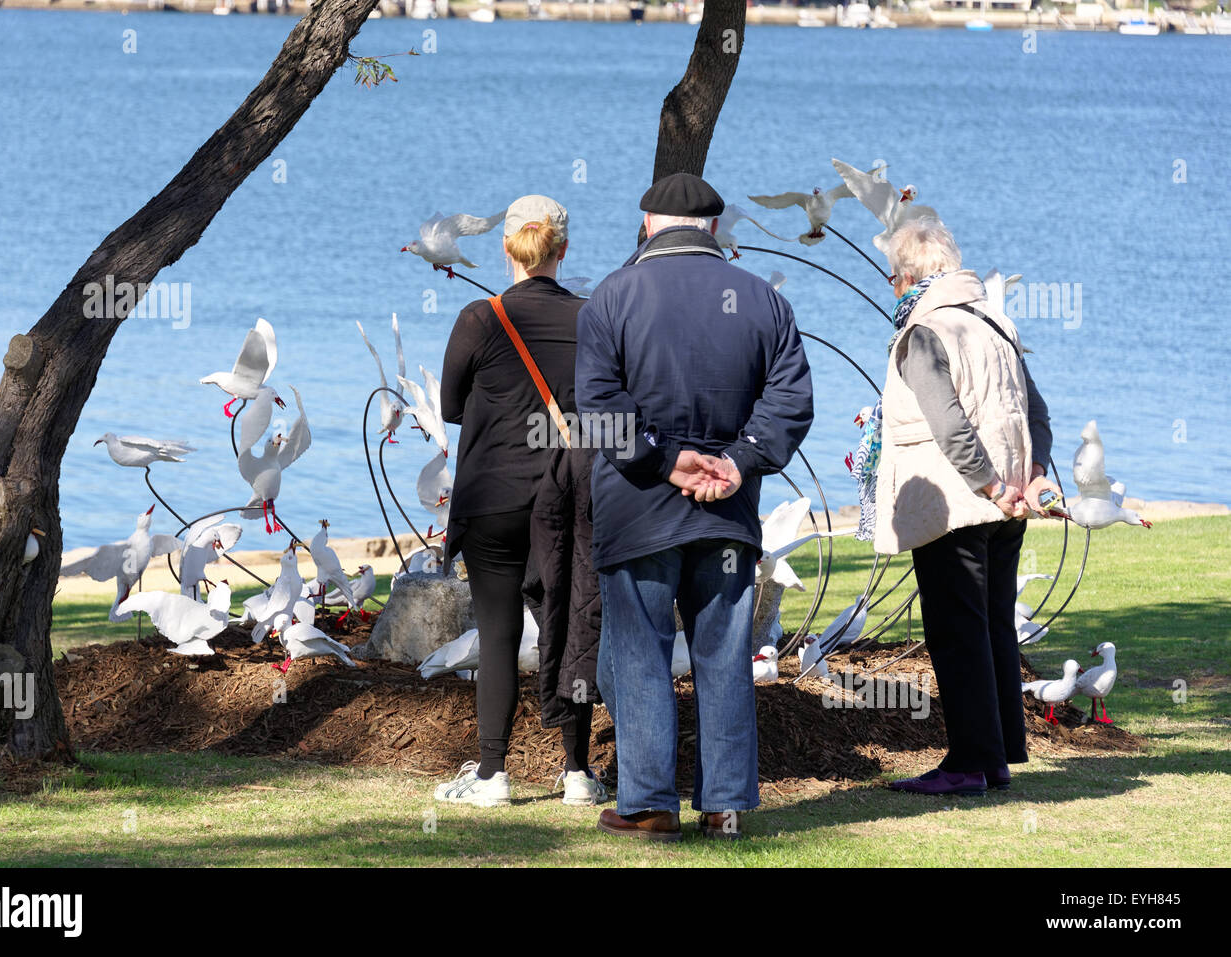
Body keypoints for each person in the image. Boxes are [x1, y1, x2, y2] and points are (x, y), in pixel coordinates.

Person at [575, 172, 814, 841]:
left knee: (642, 652)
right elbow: (790, 402)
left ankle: (649, 801)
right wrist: (738, 460)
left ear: (648, 222)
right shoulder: (763, 299)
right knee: (724, 653)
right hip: (727, 513)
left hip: (638, 508)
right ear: (713, 228)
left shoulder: (612, 297)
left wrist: (665, 458)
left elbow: (599, 409)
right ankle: (726, 803)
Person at [873, 216, 1056, 797]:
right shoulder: (994, 322)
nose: (890, 287)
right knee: (993, 624)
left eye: (892, 277)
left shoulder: (927, 332)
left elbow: (947, 422)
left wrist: (991, 485)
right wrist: (1028, 477)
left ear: (906, 278)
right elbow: (1039, 413)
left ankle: (969, 764)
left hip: (962, 505)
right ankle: (997, 754)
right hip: (1005, 505)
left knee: (957, 631)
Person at [434, 195, 606, 808]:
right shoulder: (594, 320)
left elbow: (453, 407)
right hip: (567, 499)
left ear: (506, 247)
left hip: (493, 498)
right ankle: (578, 774)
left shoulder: (479, 319)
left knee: (499, 631)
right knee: (572, 622)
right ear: (563, 250)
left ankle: (492, 774)